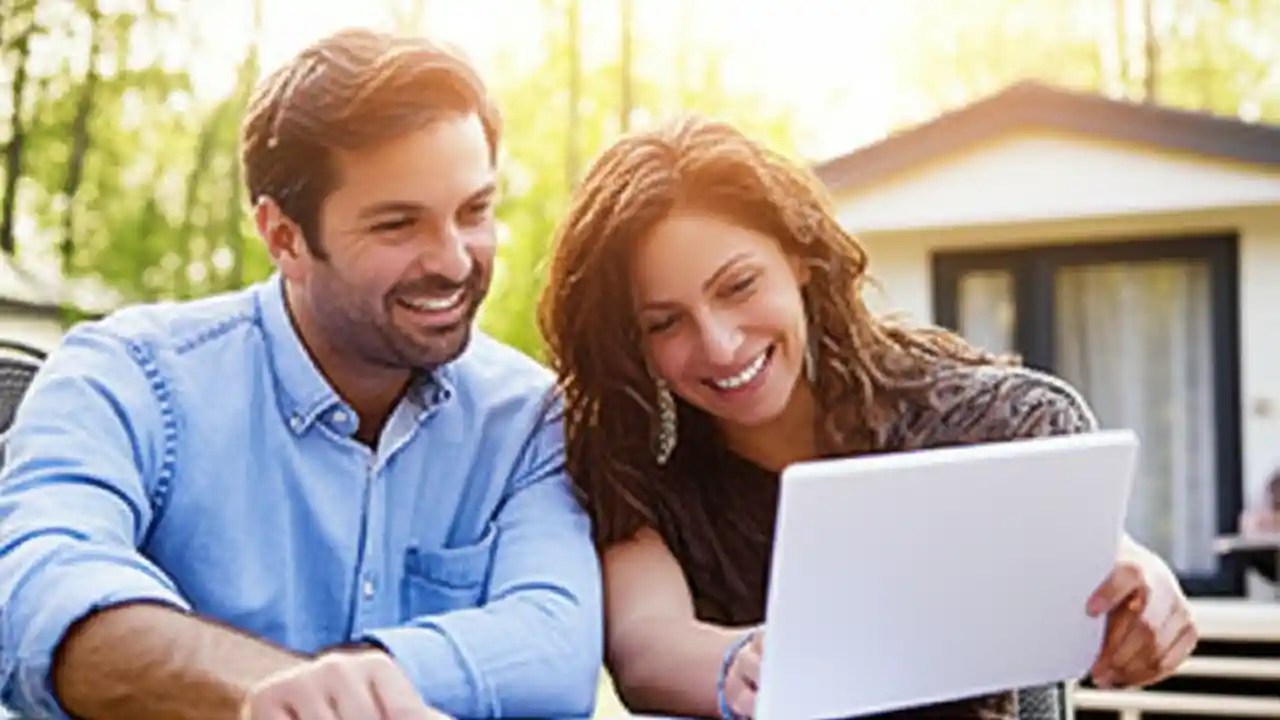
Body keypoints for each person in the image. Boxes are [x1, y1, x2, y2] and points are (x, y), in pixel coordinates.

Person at [0, 28, 601, 720]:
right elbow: (37, 590)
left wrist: (342, 684)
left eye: (473, 213)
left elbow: (555, 648)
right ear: (283, 236)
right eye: (398, 225)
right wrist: (273, 696)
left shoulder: (527, 420)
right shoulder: (130, 377)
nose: (455, 261)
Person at [537, 115, 1198, 719]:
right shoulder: (641, 470)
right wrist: (739, 666)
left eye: (738, 286)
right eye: (664, 322)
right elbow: (646, 646)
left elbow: (1086, 556)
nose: (718, 344)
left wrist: (1139, 579)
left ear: (799, 257)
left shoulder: (998, 420)